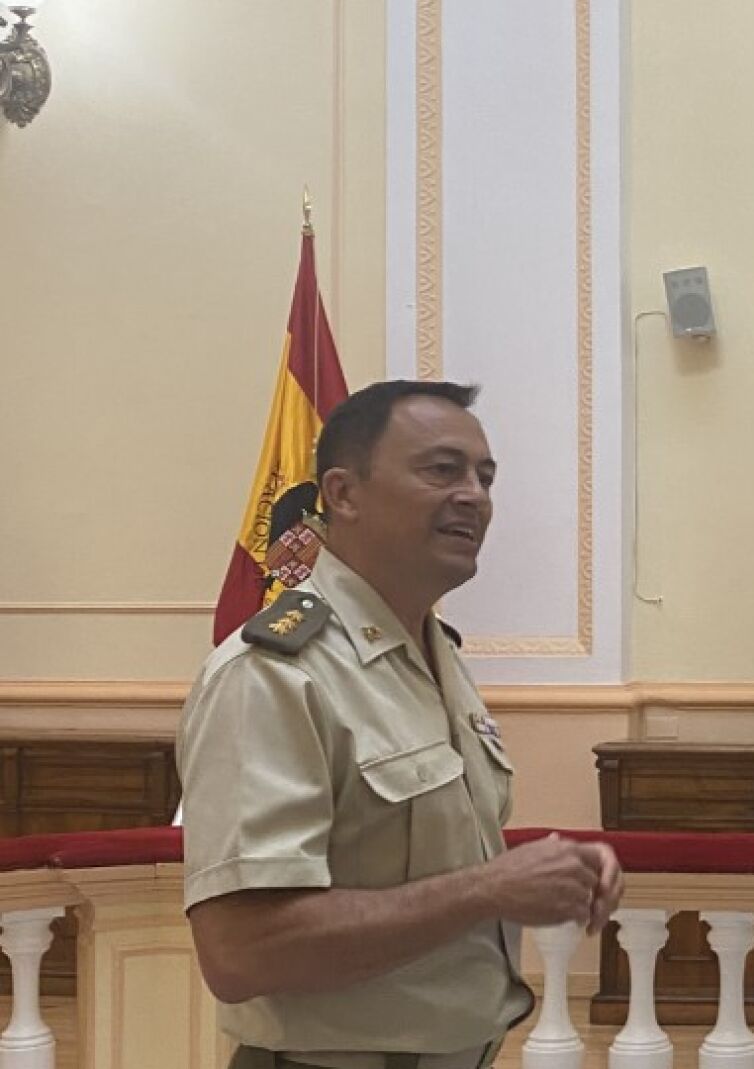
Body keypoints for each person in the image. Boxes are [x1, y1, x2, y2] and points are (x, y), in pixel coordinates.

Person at [178, 379, 623, 1069]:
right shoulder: (274, 673)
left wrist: (541, 875)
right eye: (442, 470)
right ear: (343, 493)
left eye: (485, 477)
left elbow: (420, 867)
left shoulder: (435, 653)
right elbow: (241, 951)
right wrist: (490, 888)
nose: (474, 496)